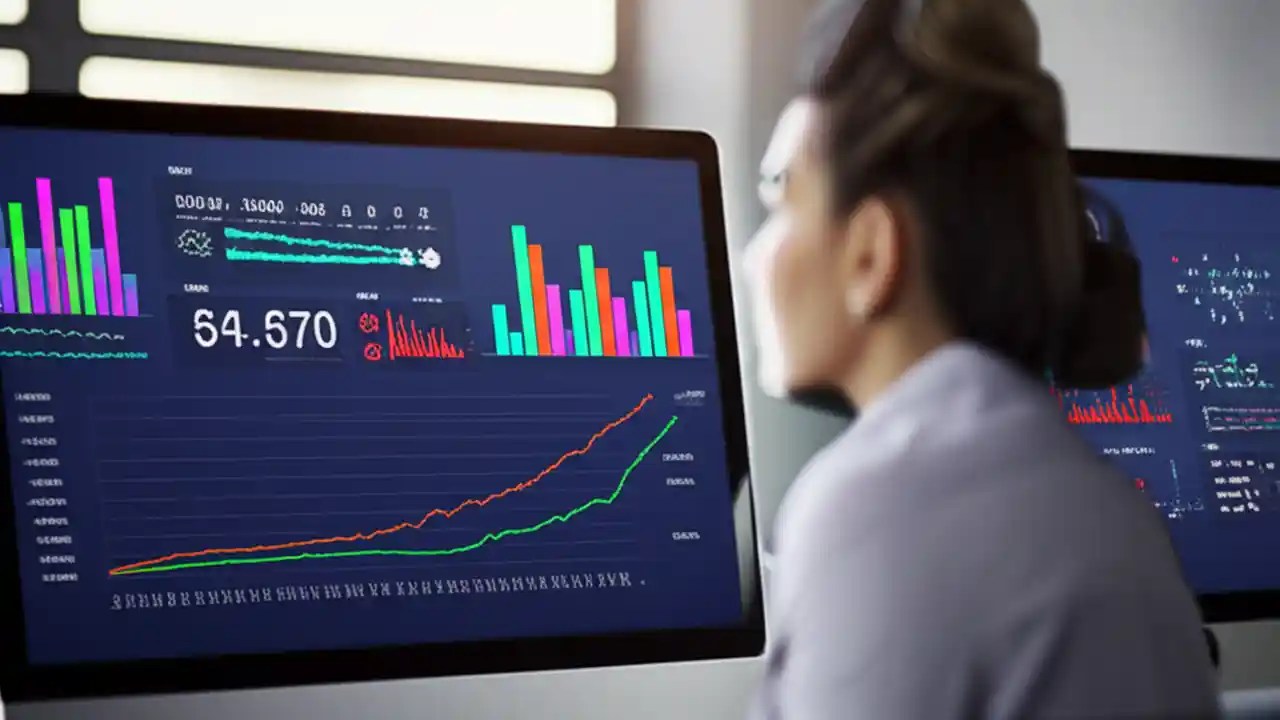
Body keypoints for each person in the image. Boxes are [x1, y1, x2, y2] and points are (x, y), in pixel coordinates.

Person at [744, 0, 1222, 717]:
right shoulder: (1111, 505)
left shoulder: (870, 506)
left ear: (872, 252)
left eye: (781, 196)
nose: (755, 255)